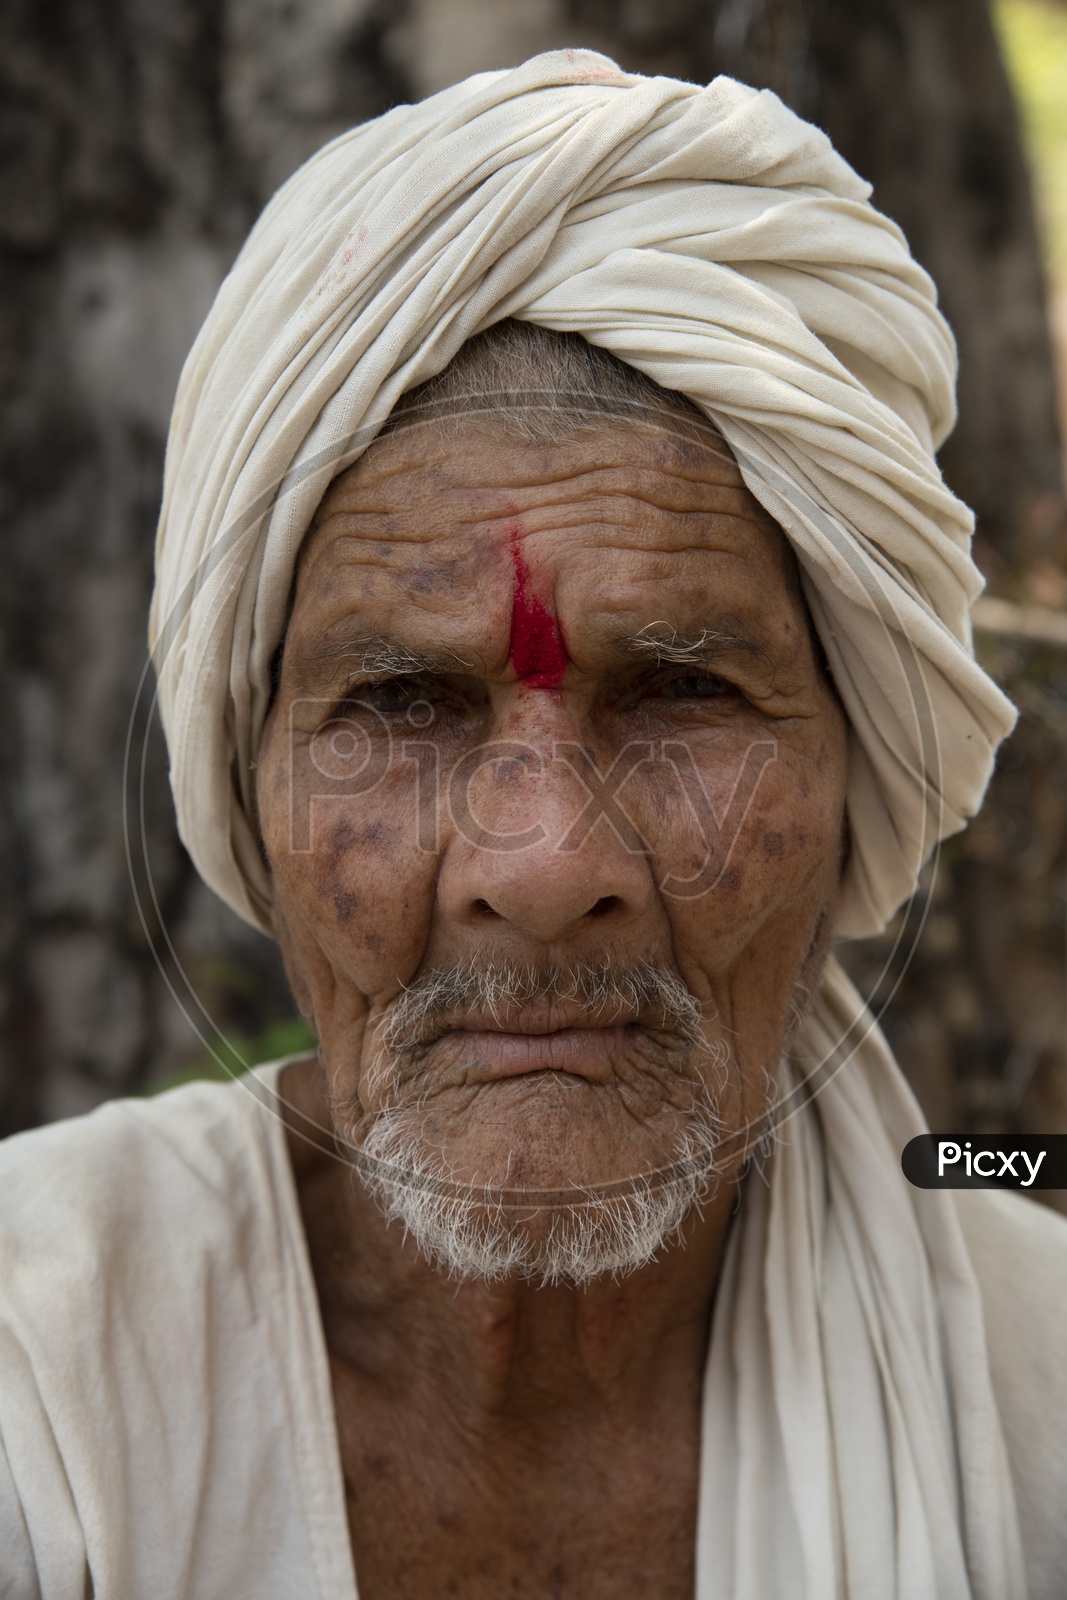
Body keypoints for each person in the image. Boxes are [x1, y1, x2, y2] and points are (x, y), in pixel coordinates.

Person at [1, 51, 1064, 1600]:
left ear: (861, 768)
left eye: (685, 692)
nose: (546, 868)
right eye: (403, 708)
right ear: (253, 781)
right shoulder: (43, 1383)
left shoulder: (1034, 1423)